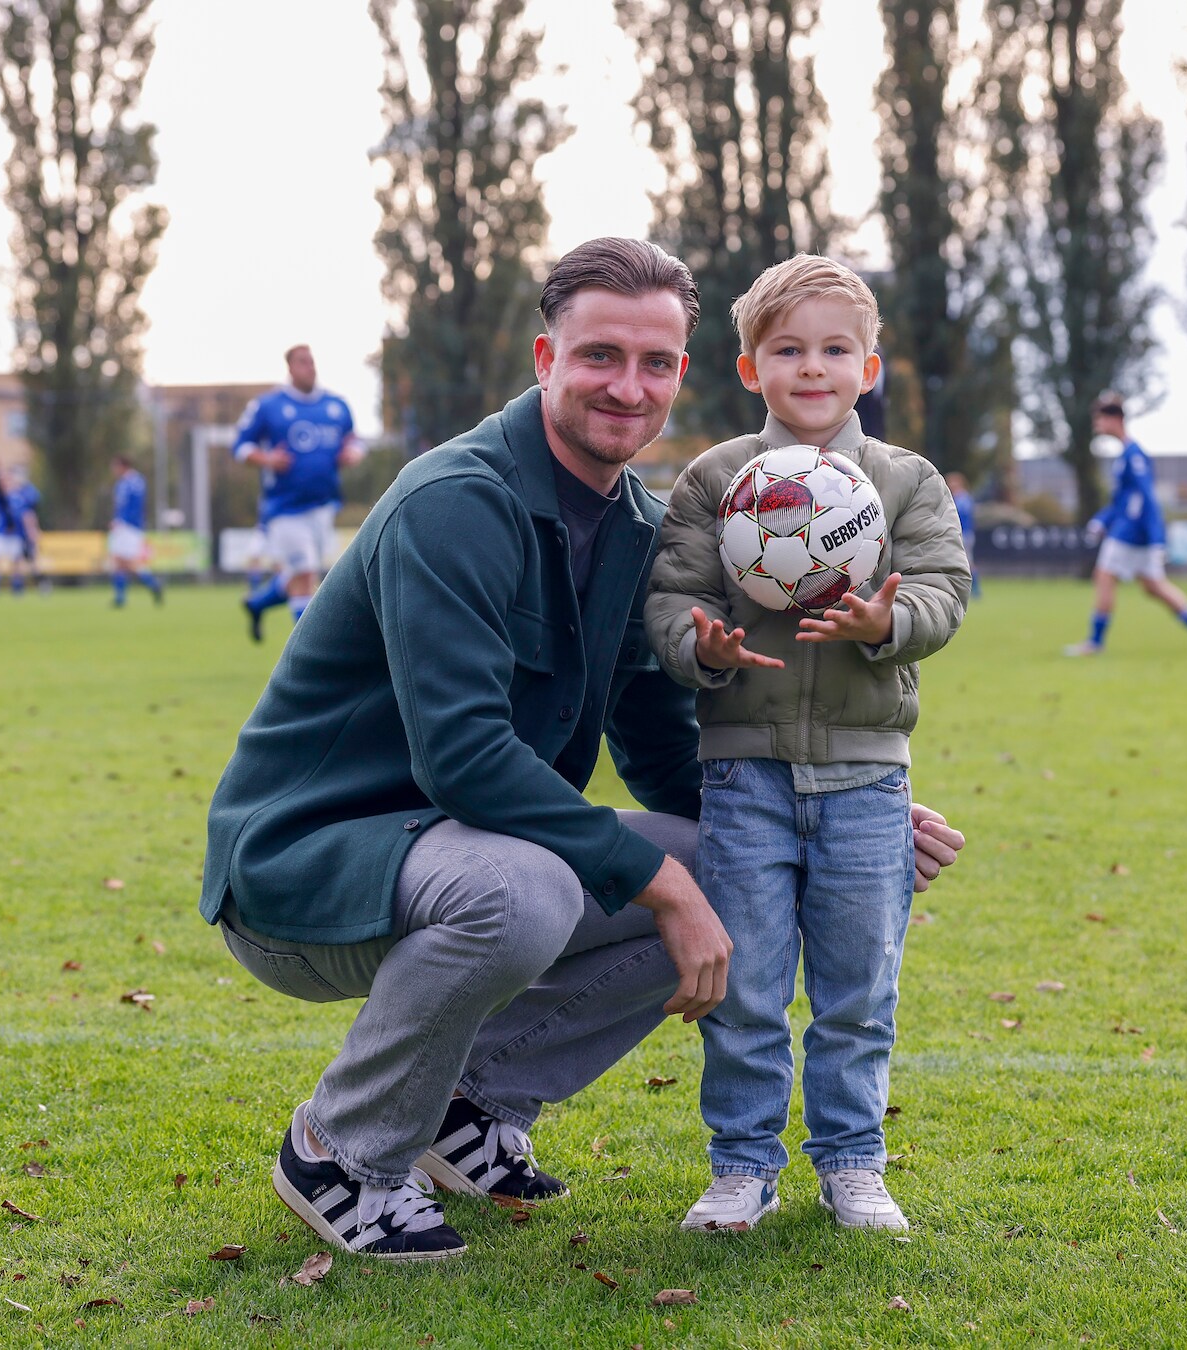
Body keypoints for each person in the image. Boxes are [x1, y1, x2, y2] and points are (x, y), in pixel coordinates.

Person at [198, 238, 966, 1262]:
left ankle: (471, 1111)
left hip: (460, 845)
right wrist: (660, 886)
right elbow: (464, 759)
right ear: (543, 358)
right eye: (599, 355)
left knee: (730, 862)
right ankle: (343, 1151)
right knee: (533, 893)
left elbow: (657, 743)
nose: (627, 386)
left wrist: (828, 812)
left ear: (682, 375)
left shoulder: (636, 525)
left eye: (654, 363)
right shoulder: (455, 503)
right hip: (310, 866)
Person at [645, 255, 969, 1235]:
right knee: (744, 989)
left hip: (868, 778)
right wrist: (700, 646)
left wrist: (887, 625)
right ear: (750, 368)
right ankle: (742, 1167)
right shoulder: (714, 480)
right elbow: (672, 600)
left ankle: (853, 1164)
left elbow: (945, 592)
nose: (813, 368)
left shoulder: (903, 481)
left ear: (870, 367)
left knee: (857, 988)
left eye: (835, 349)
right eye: (788, 349)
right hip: (744, 772)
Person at [1065, 392, 1187, 657]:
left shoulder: (1134, 455)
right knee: (1153, 586)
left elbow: (1147, 497)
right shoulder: (1125, 455)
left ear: (1116, 419)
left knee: (1104, 576)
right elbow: (1122, 501)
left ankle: (1095, 643)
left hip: (1131, 532)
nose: (1097, 424)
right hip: (1131, 530)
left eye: (1100, 418)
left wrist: (1157, 537)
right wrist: (1102, 520)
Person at [231, 345, 363, 640]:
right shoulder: (269, 406)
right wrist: (266, 460)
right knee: (305, 575)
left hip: (324, 505)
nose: (310, 367)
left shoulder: (335, 405)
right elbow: (239, 446)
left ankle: (256, 604)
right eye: (302, 362)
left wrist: (353, 453)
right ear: (290, 368)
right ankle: (311, 657)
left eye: (312, 361)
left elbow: (355, 440)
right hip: (284, 507)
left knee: (300, 576)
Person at [107, 454, 163, 608]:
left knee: (123, 562)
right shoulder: (139, 481)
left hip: (127, 527)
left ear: (123, 466)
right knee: (122, 562)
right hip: (135, 527)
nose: (113, 470)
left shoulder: (126, 484)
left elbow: (125, 507)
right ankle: (122, 597)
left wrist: (119, 522)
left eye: (115, 466)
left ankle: (151, 583)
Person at [0, 465, 44, 597]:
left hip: (15, 533)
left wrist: (33, 530)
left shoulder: (19, 497)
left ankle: (17, 588)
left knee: (17, 561)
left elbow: (28, 515)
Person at [946, 469, 980, 599]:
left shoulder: (962, 499)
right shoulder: (959, 498)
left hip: (964, 534)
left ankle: (975, 589)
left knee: (967, 561)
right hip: (961, 534)